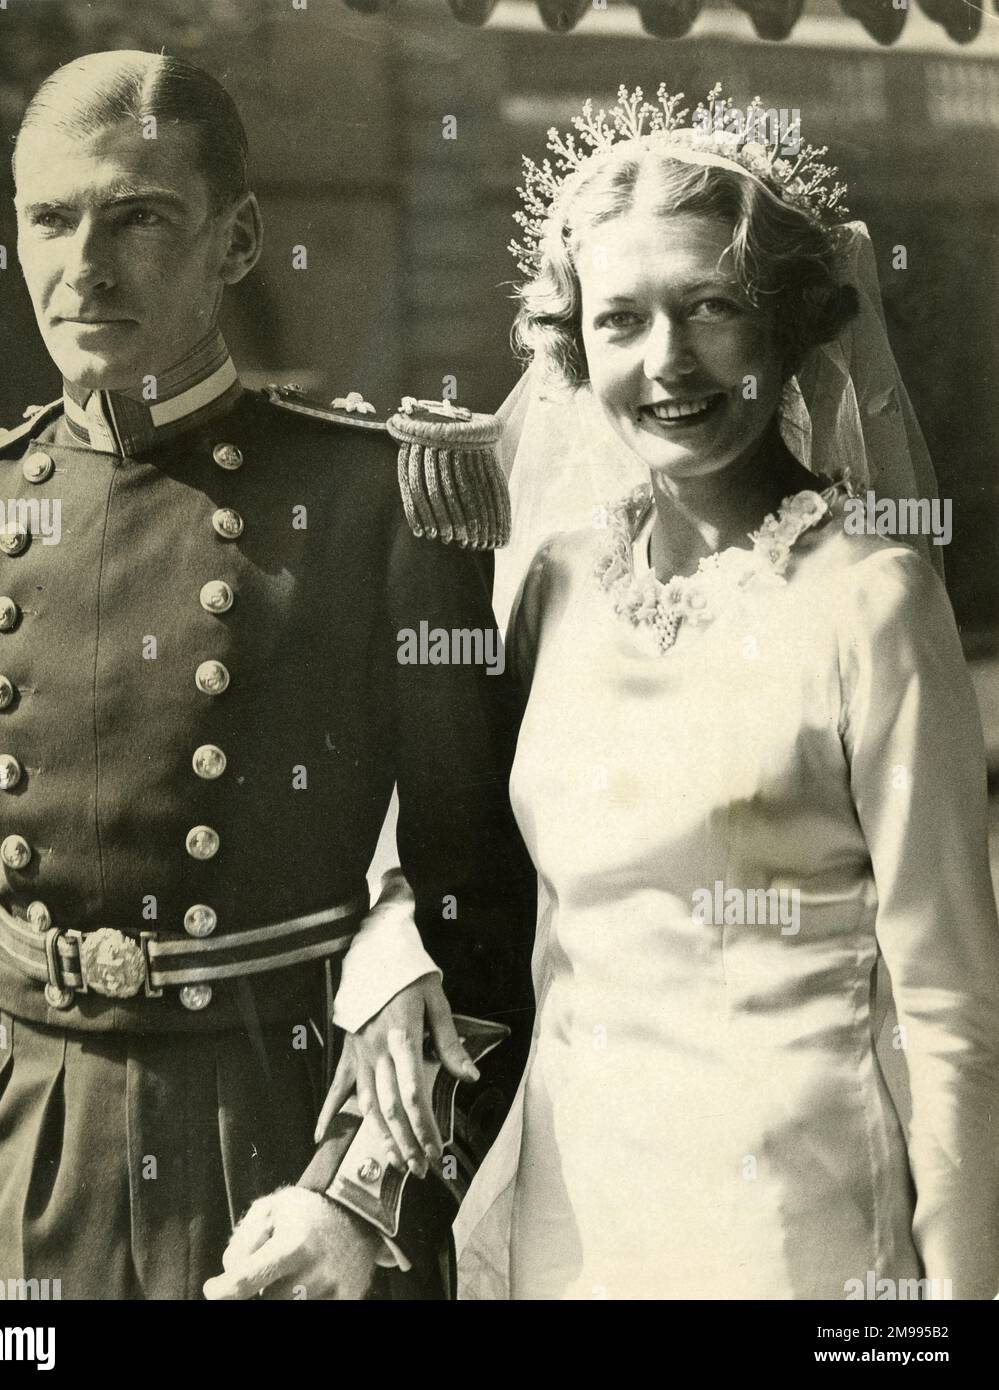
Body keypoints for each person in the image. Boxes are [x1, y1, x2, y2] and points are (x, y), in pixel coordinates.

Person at [0, 49, 534, 1300]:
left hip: (285, 1119)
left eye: (140, 216)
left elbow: (480, 895)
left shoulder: (375, 501)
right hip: (31, 1143)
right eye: (50, 218)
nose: (85, 265)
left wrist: (365, 1194)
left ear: (239, 242)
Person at [356, 86, 999, 1300]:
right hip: (579, 1217)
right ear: (570, 348)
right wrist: (390, 953)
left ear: (791, 326)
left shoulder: (872, 599)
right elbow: (454, 851)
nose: (669, 363)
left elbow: (952, 1004)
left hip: (797, 1235)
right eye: (623, 320)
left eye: (713, 307)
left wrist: (960, 1302)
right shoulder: (552, 584)